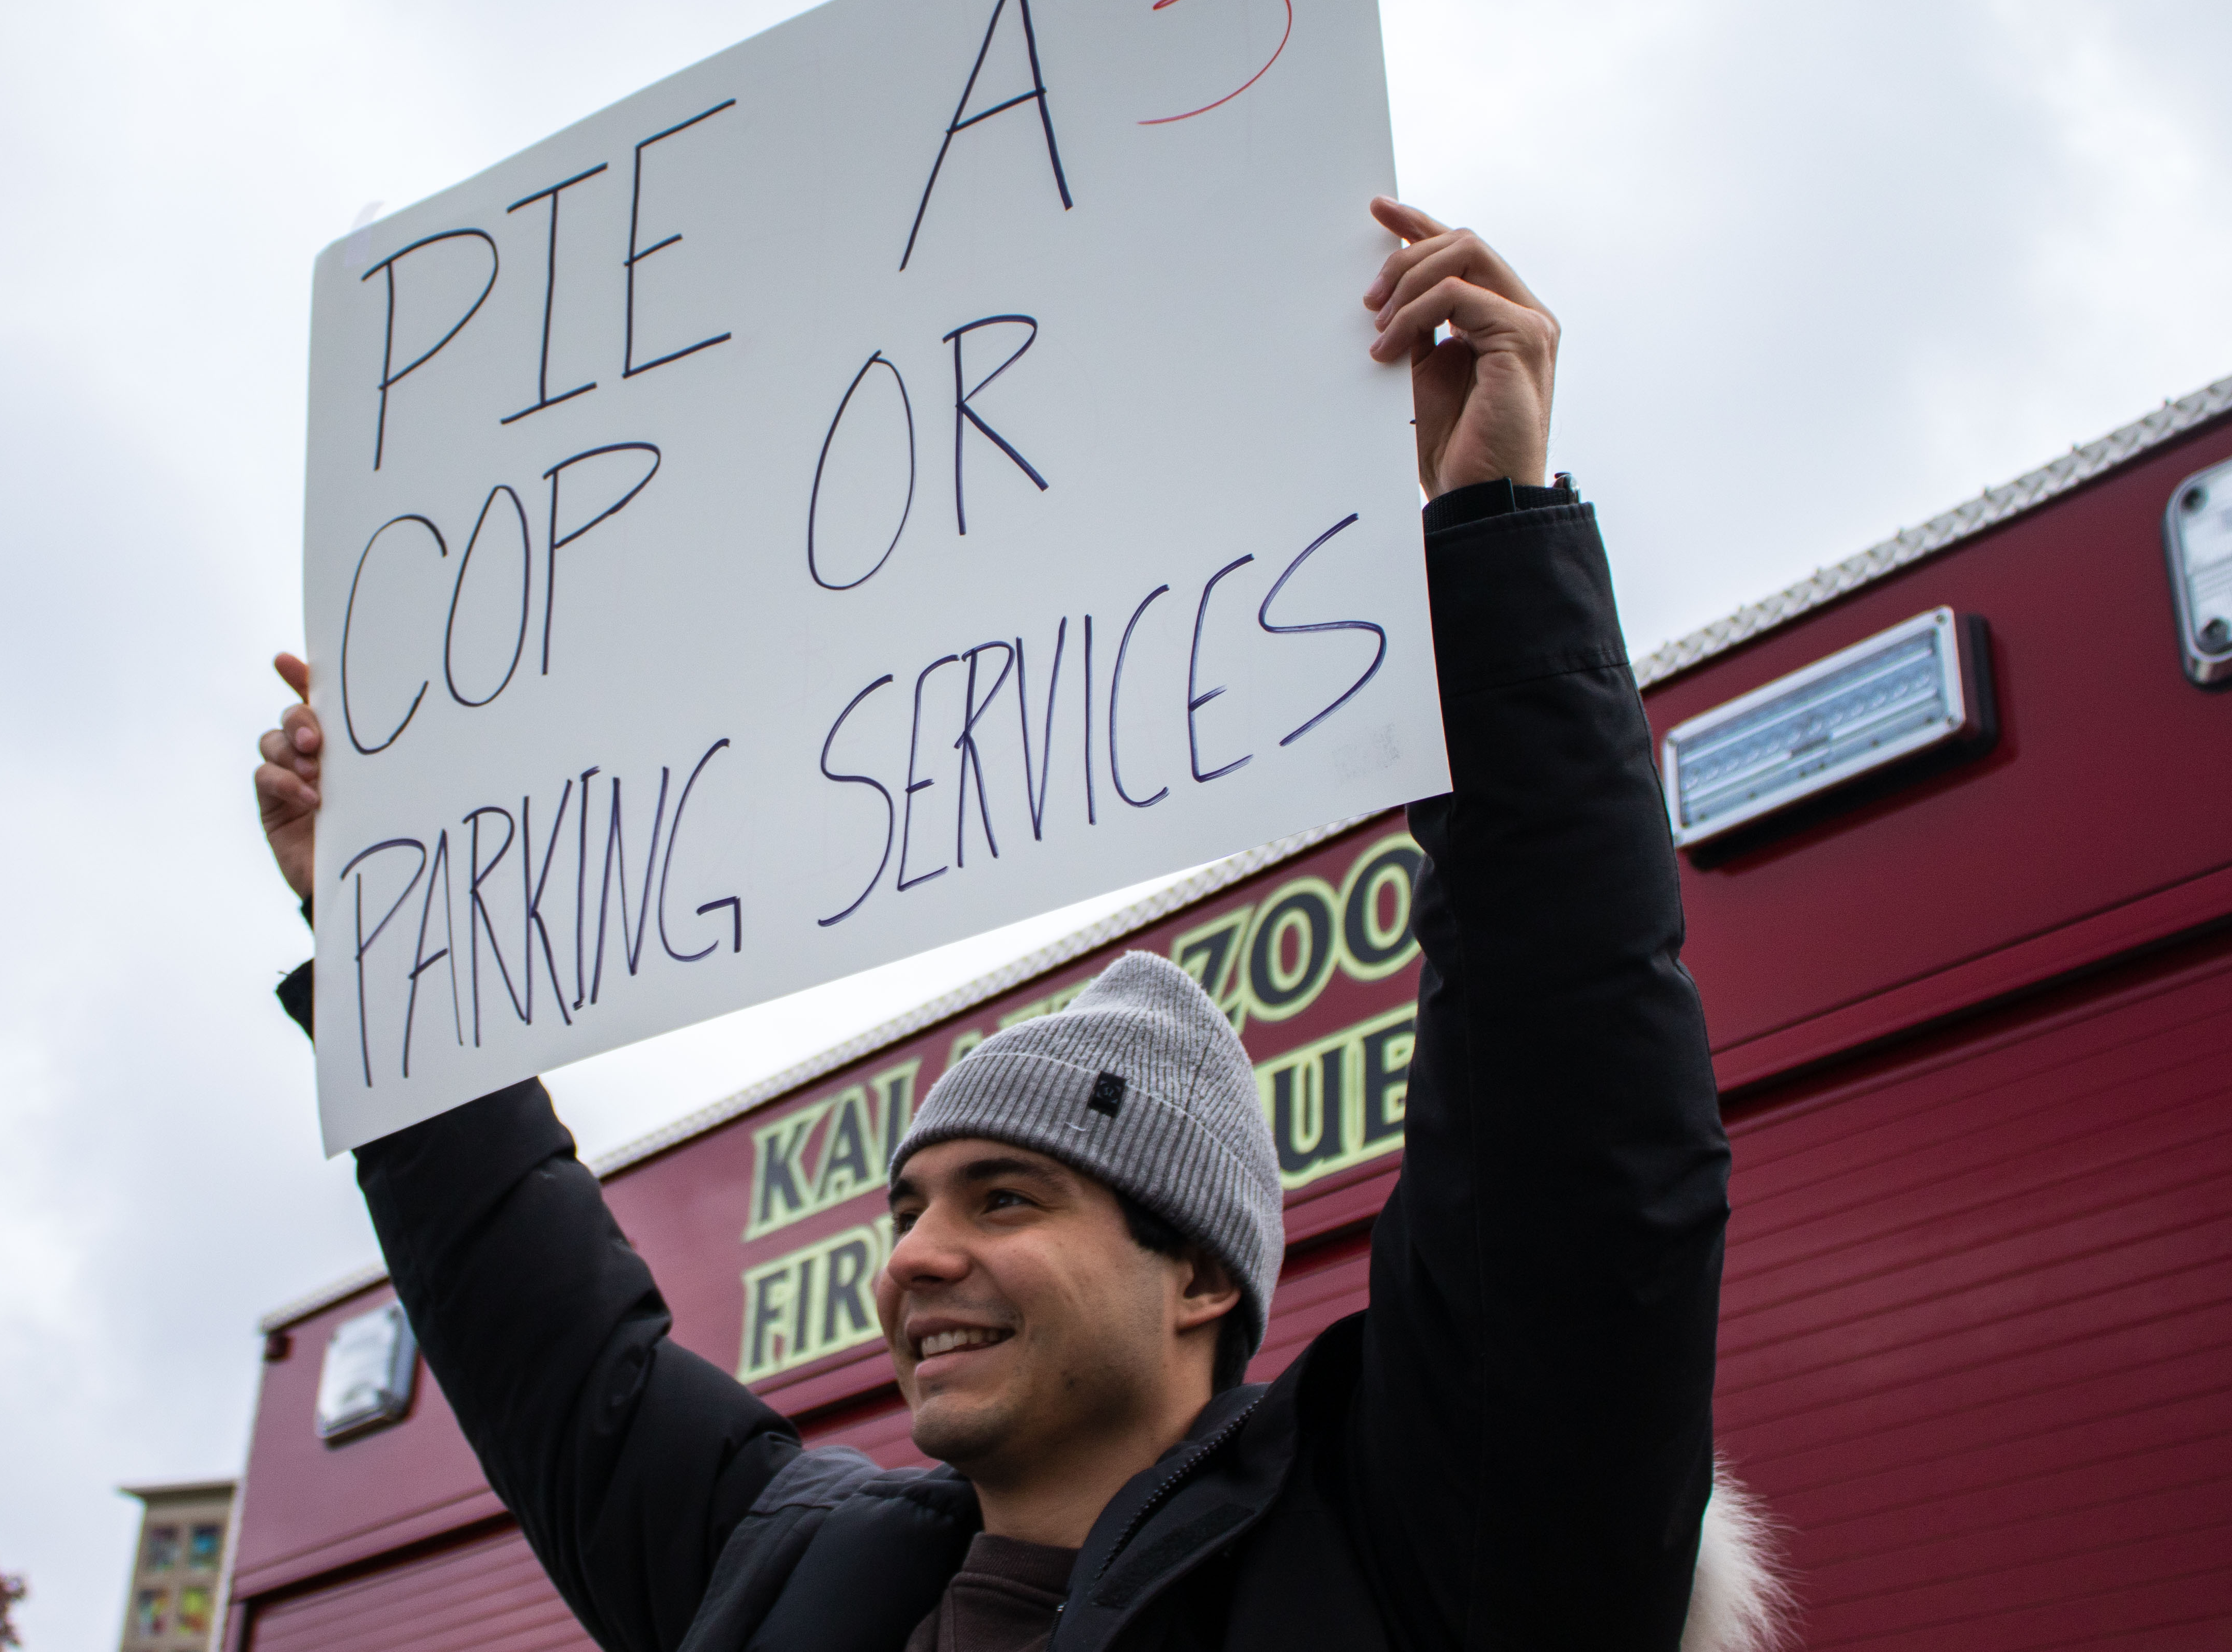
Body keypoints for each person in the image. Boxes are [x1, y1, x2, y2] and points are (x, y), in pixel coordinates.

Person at [254, 200, 1786, 1651]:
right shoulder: (777, 1570)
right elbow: (534, 1316)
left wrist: (1491, 539)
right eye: (910, 1209)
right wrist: (384, 921)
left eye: (1001, 1199)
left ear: (1197, 1279)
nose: (915, 1258)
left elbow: (1572, 1093)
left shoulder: (1417, 1547)